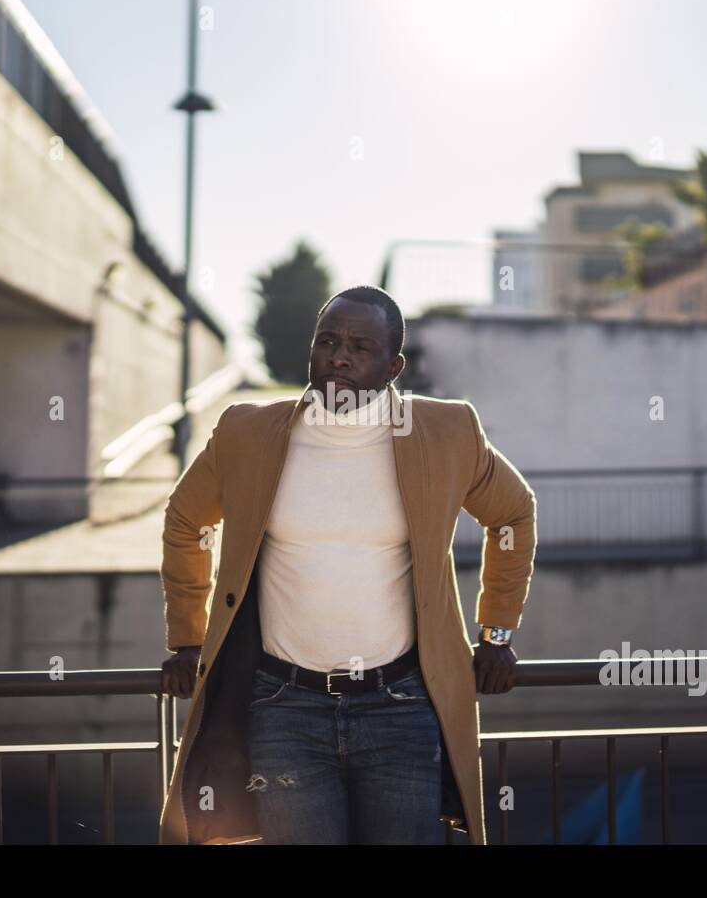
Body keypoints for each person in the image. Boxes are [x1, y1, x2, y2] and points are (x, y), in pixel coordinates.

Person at [158, 285, 536, 845]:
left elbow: (512, 515)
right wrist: (188, 641)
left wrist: (497, 632)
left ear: (394, 364)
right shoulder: (247, 432)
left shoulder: (446, 432)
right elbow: (187, 521)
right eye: (328, 341)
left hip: (401, 706)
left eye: (361, 345)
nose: (340, 356)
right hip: (284, 708)